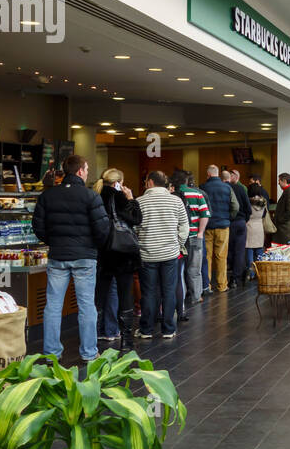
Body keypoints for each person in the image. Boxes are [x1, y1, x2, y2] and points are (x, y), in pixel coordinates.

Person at [32, 154, 110, 363]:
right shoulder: (91, 196)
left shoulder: (48, 196)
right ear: (80, 171)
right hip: (85, 257)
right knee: (86, 306)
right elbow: (103, 228)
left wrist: (54, 241)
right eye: (86, 169)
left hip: (58, 256)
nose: (87, 173)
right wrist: (93, 245)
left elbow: (38, 226)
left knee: (52, 305)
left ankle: (51, 353)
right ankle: (89, 352)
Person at [135, 171, 189, 339]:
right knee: (169, 291)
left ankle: (146, 330)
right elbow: (184, 226)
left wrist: (141, 241)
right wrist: (178, 243)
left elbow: (134, 227)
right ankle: (168, 329)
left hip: (147, 254)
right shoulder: (176, 201)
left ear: (150, 182)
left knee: (149, 292)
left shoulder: (139, 202)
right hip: (170, 253)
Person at [92, 168, 141, 347]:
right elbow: (136, 219)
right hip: (121, 253)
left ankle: (92, 338)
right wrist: (131, 199)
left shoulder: (95, 196)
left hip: (101, 254)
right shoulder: (119, 197)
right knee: (124, 295)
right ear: (117, 183)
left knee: (98, 297)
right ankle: (126, 340)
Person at [172, 170, 209, 308]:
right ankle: (196, 296)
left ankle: (180, 297)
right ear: (187, 181)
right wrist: (201, 232)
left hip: (177, 238)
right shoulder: (197, 194)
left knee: (179, 270)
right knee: (194, 268)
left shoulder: (172, 195)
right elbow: (204, 214)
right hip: (194, 236)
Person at [201, 165, 239, 293]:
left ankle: (207, 285)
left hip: (207, 227)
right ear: (217, 174)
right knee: (221, 256)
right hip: (223, 226)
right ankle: (222, 285)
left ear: (208, 174)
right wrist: (229, 217)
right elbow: (235, 206)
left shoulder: (203, 188)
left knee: (207, 257)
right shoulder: (227, 188)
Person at [223, 170, 253, 287]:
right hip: (240, 223)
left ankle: (230, 275)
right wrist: (244, 219)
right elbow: (248, 208)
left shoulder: (224, 189)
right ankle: (235, 278)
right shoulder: (240, 189)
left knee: (228, 251)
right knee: (239, 251)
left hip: (228, 223)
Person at [273, 173, 290, 243]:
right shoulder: (287, 191)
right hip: (285, 229)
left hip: (286, 230)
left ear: (284, 181)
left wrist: (279, 219)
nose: (278, 183)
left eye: (279, 181)